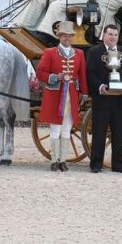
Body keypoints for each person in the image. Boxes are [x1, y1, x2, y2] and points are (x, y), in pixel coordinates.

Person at [36, 21, 88, 171]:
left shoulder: (79, 53)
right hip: (55, 95)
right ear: (59, 37)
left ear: (72, 37)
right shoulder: (50, 52)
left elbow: (81, 75)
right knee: (55, 128)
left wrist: (84, 92)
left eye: (69, 35)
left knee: (67, 129)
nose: (67, 38)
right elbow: (40, 73)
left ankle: (63, 160)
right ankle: (54, 160)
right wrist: (54, 77)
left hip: (71, 95)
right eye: (64, 35)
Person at [86, 24, 122, 173]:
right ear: (104, 35)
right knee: (99, 132)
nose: (113, 37)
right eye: (110, 34)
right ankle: (96, 165)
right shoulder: (94, 52)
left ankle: (117, 165)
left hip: (119, 100)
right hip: (102, 98)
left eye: (115, 35)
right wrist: (100, 87)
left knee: (118, 133)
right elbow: (90, 73)